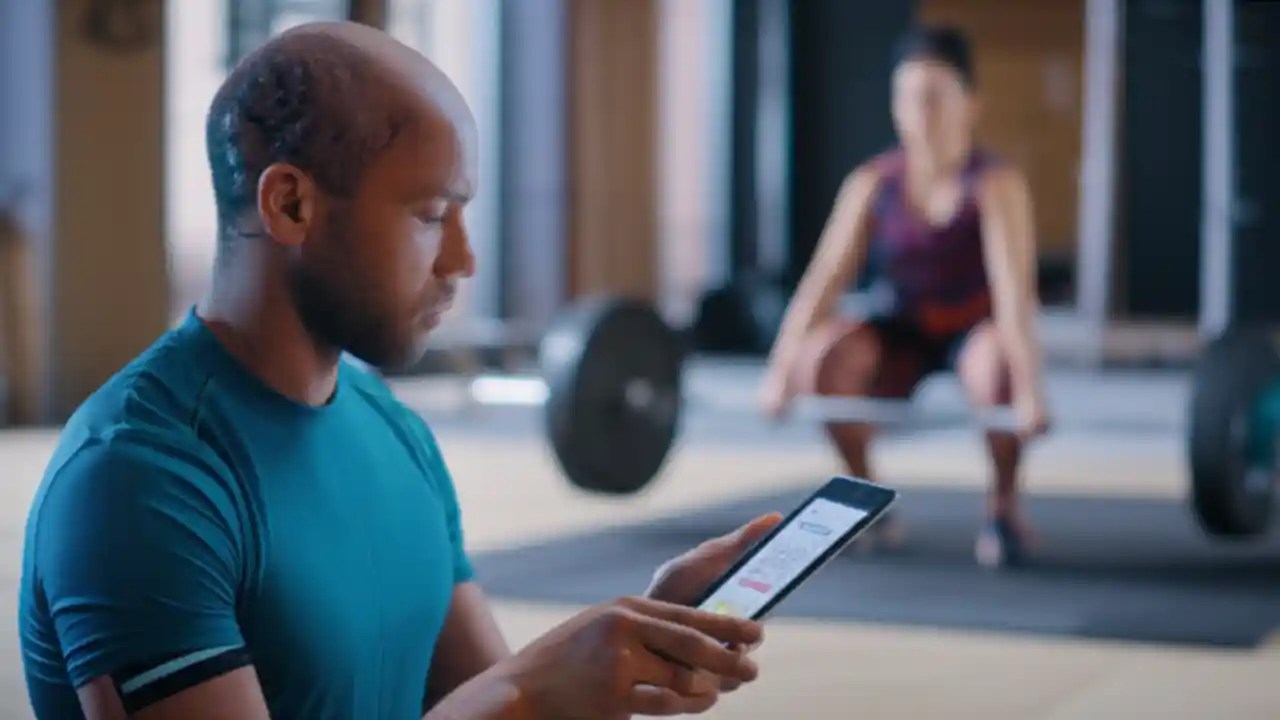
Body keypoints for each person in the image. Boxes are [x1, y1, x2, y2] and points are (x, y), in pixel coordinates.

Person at [19, 21, 780, 720]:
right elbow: (504, 700)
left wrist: (635, 638)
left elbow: (477, 704)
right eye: (429, 216)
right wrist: (530, 685)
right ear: (289, 205)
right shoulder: (138, 477)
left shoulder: (392, 428)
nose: (463, 261)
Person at [759, 25, 1049, 568]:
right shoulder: (871, 182)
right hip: (903, 327)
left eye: (936, 96)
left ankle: (1004, 508)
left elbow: (1015, 298)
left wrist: (1031, 392)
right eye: (909, 97)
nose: (921, 112)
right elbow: (823, 282)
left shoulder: (995, 186)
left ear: (971, 104)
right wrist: (781, 372)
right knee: (823, 358)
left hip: (972, 329)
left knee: (997, 366)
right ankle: (868, 503)